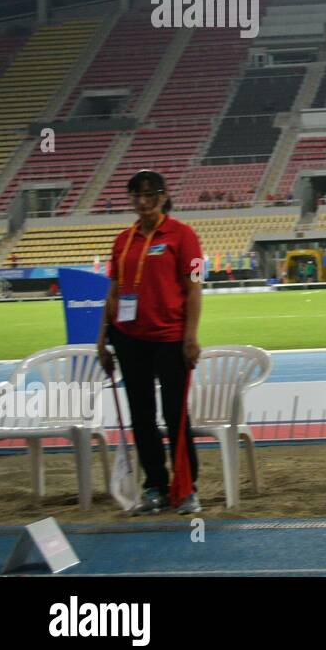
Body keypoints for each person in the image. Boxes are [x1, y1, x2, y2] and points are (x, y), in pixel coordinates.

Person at [94, 170, 204, 515]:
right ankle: (155, 485)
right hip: (129, 339)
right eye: (136, 196)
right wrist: (102, 339)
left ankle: (186, 489)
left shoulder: (185, 236)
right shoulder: (123, 239)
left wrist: (191, 337)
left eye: (149, 195)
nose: (142, 202)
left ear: (163, 194)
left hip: (170, 339)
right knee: (141, 416)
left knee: (175, 415)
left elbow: (195, 288)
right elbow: (113, 291)